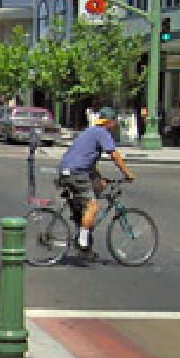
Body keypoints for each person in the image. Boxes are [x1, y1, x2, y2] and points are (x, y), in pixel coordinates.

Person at [59, 106, 137, 252]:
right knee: (93, 206)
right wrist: (127, 173)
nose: (115, 126)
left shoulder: (90, 131)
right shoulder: (102, 133)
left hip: (68, 170)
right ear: (108, 122)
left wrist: (100, 179)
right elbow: (114, 154)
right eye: (114, 122)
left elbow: (89, 161)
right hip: (77, 173)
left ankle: (84, 237)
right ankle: (82, 241)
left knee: (92, 195)